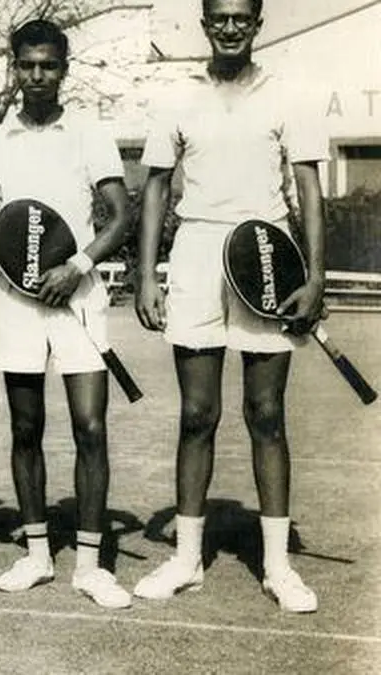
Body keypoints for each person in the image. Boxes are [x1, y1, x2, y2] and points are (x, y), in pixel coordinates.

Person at [133, 0, 328, 613]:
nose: (230, 26)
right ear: (205, 23)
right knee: (198, 415)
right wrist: (146, 275)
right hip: (194, 257)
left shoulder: (289, 95)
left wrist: (316, 277)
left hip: (266, 253)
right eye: (220, 16)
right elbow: (158, 187)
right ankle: (187, 559)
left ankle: (277, 566)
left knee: (266, 413)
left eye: (242, 17)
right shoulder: (175, 97)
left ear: (258, 24)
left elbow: (308, 186)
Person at [0, 19, 133, 609]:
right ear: (14, 67)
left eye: (49, 65)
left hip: (78, 299)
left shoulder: (89, 133)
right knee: (25, 428)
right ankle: (37, 554)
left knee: (91, 426)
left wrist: (78, 266)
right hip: (14, 305)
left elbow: (120, 216)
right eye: (27, 65)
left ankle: (89, 565)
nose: (37, 76)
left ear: (64, 69)